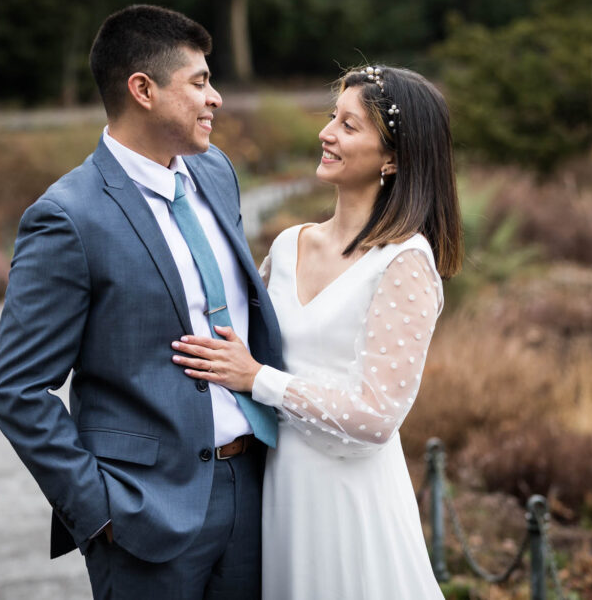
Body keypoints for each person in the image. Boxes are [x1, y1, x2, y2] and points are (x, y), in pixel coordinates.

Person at [0, 4, 285, 599]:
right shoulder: (68, 217)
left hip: (255, 486)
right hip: (144, 515)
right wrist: (99, 511)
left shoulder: (216, 172)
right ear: (142, 89)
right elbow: (17, 389)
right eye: (199, 82)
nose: (216, 98)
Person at [171, 65, 463, 599]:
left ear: (393, 158)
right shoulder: (287, 246)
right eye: (333, 117)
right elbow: (228, 335)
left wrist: (260, 380)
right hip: (281, 490)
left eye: (349, 126)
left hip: (351, 499)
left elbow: (377, 415)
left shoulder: (404, 262)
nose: (326, 133)